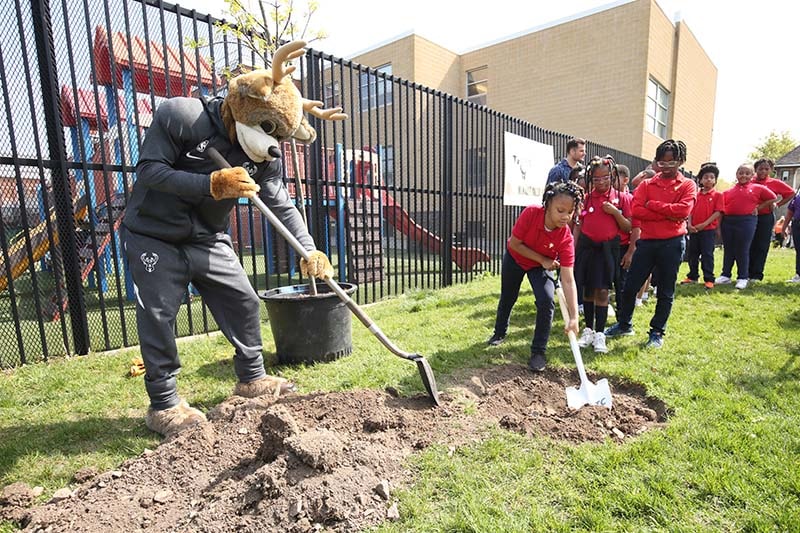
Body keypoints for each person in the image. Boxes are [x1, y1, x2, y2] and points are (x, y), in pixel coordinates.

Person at [122, 85, 335, 437]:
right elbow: (149, 171)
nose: (273, 143)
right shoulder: (182, 117)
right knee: (158, 314)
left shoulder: (266, 157)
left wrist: (309, 249)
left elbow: (281, 204)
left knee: (243, 300)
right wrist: (212, 184)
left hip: (208, 236)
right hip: (154, 233)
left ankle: (252, 380)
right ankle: (164, 404)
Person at [604, 139, 696, 349]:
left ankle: (657, 331)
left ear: (680, 161)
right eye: (661, 163)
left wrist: (653, 205)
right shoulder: (646, 184)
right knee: (630, 287)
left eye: (671, 163)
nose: (665, 167)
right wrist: (667, 212)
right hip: (646, 242)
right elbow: (637, 211)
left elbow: (683, 212)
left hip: (672, 243)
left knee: (665, 290)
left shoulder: (688, 185)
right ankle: (624, 323)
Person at [487, 182, 583, 372]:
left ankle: (538, 351)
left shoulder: (566, 238)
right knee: (508, 296)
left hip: (539, 267)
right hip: (516, 258)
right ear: (547, 205)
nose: (565, 216)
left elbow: (568, 279)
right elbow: (514, 244)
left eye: (570, 212)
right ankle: (499, 333)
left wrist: (573, 317)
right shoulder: (531, 214)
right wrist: (542, 259)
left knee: (546, 301)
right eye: (560, 210)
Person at [574, 156, 632, 354]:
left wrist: (615, 212)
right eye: (596, 179)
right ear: (591, 178)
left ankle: (600, 333)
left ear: (612, 175)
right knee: (588, 290)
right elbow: (578, 225)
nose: (601, 182)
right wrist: (573, 248)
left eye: (605, 178)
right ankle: (588, 329)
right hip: (587, 248)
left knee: (603, 291)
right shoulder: (587, 198)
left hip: (608, 249)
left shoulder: (621, 197)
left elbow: (629, 226)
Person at [715, 163, 776, 289]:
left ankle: (743, 276)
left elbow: (773, 197)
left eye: (747, 173)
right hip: (728, 221)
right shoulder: (727, 192)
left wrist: (758, 208)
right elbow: (721, 210)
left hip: (747, 221)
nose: (743, 175)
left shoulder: (757, 188)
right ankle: (725, 275)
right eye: (741, 173)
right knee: (729, 249)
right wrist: (718, 227)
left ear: (752, 175)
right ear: (736, 174)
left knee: (742, 249)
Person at [747, 158, 795, 282]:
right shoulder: (749, 181)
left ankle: (756, 274)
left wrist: (778, 204)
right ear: (755, 169)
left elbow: (791, 193)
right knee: (748, 244)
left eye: (766, 169)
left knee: (761, 245)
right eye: (760, 169)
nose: (763, 171)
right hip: (749, 217)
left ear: (771, 170)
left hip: (765, 217)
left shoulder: (774, 183)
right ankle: (746, 273)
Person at [681, 162, 724, 288]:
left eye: (711, 177)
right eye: (705, 177)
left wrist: (704, 224)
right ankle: (692, 276)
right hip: (694, 230)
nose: (708, 179)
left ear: (715, 180)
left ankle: (709, 278)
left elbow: (718, 212)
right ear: (700, 180)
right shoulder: (695, 195)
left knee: (707, 255)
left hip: (708, 231)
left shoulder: (718, 195)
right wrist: (689, 224)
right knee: (692, 254)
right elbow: (690, 211)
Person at [614, 164, 635, 312]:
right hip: (606, 246)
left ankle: (622, 314)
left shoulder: (629, 199)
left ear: (625, 180)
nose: (611, 180)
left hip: (623, 246)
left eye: (615, 177)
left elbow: (634, 227)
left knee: (621, 282)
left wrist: (631, 251)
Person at [784, 194, 800, 282]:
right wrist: (784, 228)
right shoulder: (797, 197)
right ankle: (798, 275)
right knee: (799, 250)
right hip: (797, 224)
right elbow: (790, 212)